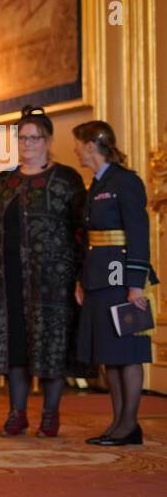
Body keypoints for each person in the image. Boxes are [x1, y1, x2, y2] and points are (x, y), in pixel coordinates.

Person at [0, 105, 86, 437]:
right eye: (22, 137)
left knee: (51, 348)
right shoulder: (6, 179)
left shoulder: (66, 179)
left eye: (35, 138)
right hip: (8, 284)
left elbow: (82, 229)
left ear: (48, 140)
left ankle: (50, 415)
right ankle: (16, 413)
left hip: (53, 283)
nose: (28, 143)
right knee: (15, 349)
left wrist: (82, 276)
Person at [73, 120, 157, 446]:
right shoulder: (96, 184)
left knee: (128, 351)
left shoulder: (125, 181)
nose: (76, 149)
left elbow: (137, 234)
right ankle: (119, 424)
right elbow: (90, 239)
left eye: (78, 143)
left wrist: (135, 284)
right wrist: (83, 280)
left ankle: (129, 424)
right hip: (99, 277)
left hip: (120, 277)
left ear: (92, 144)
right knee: (111, 352)